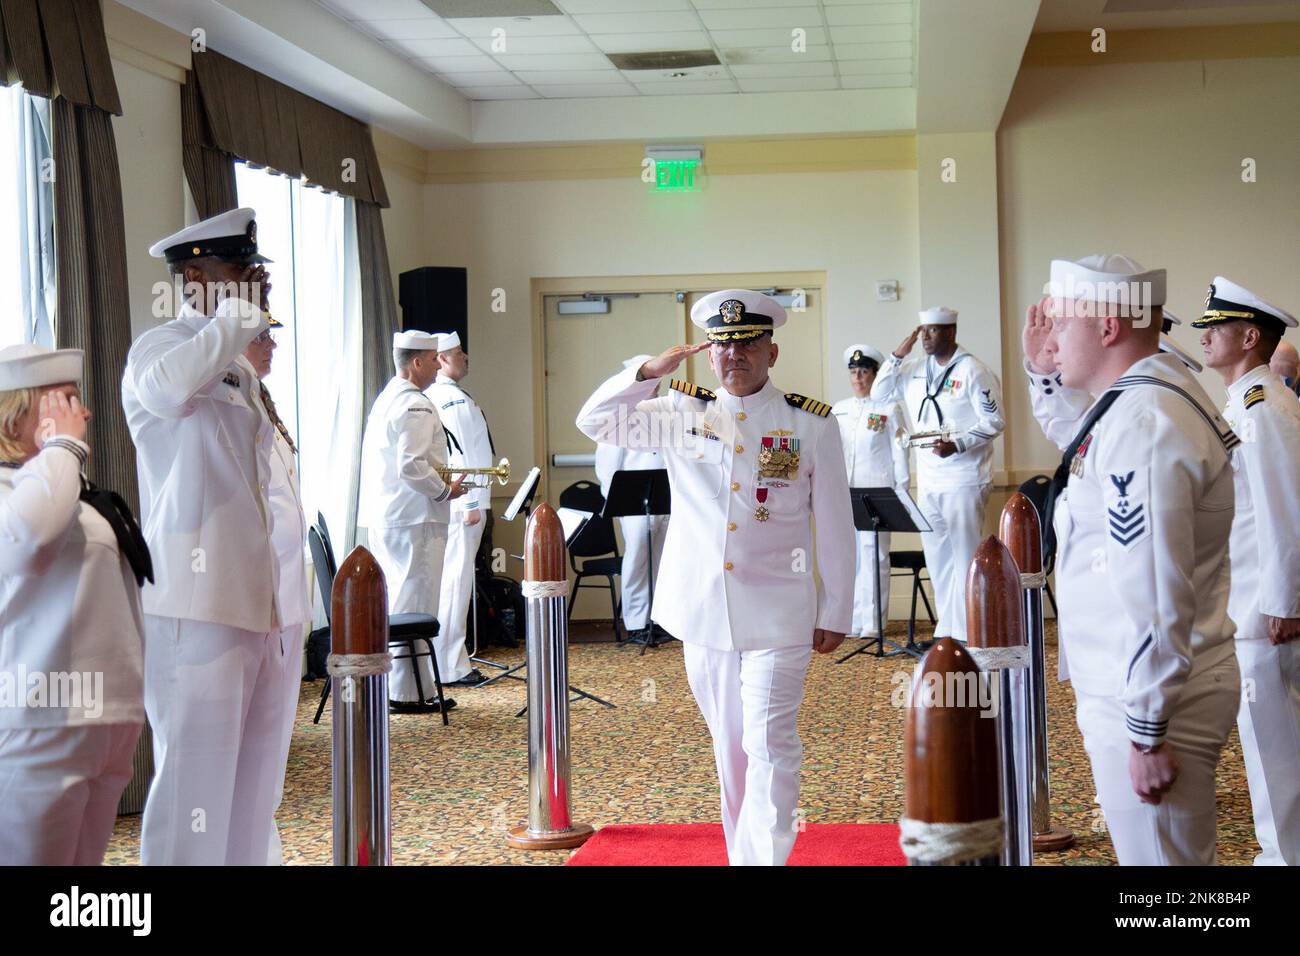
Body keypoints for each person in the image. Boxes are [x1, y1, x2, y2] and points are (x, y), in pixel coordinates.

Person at [576, 289, 855, 866]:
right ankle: (743, 857)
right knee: (731, 750)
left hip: (779, 611)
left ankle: (766, 861)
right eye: (724, 345)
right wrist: (648, 370)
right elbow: (595, 421)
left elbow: (835, 525)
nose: (735, 355)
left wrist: (837, 610)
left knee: (771, 745)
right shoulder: (681, 413)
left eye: (748, 343)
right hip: (702, 611)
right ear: (710, 355)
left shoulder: (810, 423)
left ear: (771, 352)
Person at [1023, 253, 1241, 865]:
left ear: (1109, 328)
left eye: (1061, 324)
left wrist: (1146, 728)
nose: (1051, 338)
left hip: (1150, 692)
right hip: (1144, 683)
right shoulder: (1140, 402)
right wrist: (1043, 370)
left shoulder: (1144, 422)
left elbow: (1154, 588)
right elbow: (1081, 447)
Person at [123, 207, 294, 865]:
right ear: (193, 276)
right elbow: (169, 389)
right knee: (194, 790)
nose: (255, 282)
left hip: (262, 607)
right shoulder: (162, 349)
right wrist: (237, 316)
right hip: (198, 609)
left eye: (257, 272)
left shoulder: (239, 372)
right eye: (239, 269)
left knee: (255, 792)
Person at [0, 345, 150, 864]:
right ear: (18, 415)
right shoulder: (17, 490)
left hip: (104, 721)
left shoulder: (64, 489)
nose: (82, 415)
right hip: (40, 720)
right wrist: (63, 448)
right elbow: (31, 540)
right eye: (63, 402)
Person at [1195, 276, 1300, 865]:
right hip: (1254, 601)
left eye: (1217, 327)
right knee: (1276, 740)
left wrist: (1284, 602)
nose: (1205, 336)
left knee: (1273, 747)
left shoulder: (1263, 409)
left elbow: (1285, 509)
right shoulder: (1245, 403)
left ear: (1250, 336)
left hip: (1267, 608)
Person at [871, 307, 1005, 642]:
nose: (925, 337)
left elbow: (994, 420)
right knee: (938, 558)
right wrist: (896, 356)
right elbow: (879, 394)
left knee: (964, 557)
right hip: (929, 479)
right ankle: (949, 630)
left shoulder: (973, 370)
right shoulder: (914, 370)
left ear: (950, 332)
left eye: (933, 331)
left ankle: (972, 629)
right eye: (923, 331)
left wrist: (958, 444)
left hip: (964, 477)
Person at [359, 330, 466, 709]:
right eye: (434, 359)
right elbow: (412, 465)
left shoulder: (388, 398)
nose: (440, 365)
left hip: (394, 516)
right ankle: (409, 692)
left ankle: (410, 687)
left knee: (404, 601)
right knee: (417, 602)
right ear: (417, 362)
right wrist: (445, 490)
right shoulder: (414, 405)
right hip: (415, 518)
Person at [241, 325, 311, 865]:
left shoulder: (260, 400)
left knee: (273, 739)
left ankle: (263, 848)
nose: (274, 344)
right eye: (263, 334)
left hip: (286, 597)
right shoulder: (227, 402)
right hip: (255, 599)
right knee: (246, 745)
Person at [830, 345, 909, 639]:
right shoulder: (839, 409)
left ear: (875, 375)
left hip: (878, 491)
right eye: (853, 371)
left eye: (864, 371)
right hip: (846, 492)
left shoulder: (888, 408)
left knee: (874, 554)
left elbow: (900, 450)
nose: (858, 377)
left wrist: (901, 488)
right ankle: (853, 618)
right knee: (850, 556)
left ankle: (874, 619)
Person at [426, 332, 491, 685]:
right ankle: (450, 664)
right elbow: (459, 455)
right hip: (465, 502)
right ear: (440, 360)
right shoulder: (448, 400)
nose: (465, 357)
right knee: (454, 582)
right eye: (457, 353)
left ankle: (452, 659)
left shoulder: (451, 396)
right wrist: (470, 503)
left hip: (466, 499)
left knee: (456, 581)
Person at [594, 359, 668, 644]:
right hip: (635, 500)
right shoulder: (619, 414)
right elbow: (608, 465)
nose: (657, 386)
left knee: (660, 558)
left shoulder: (663, 411)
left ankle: (655, 618)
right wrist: (616, 497)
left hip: (663, 497)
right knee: (638, 557)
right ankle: (636, 622)